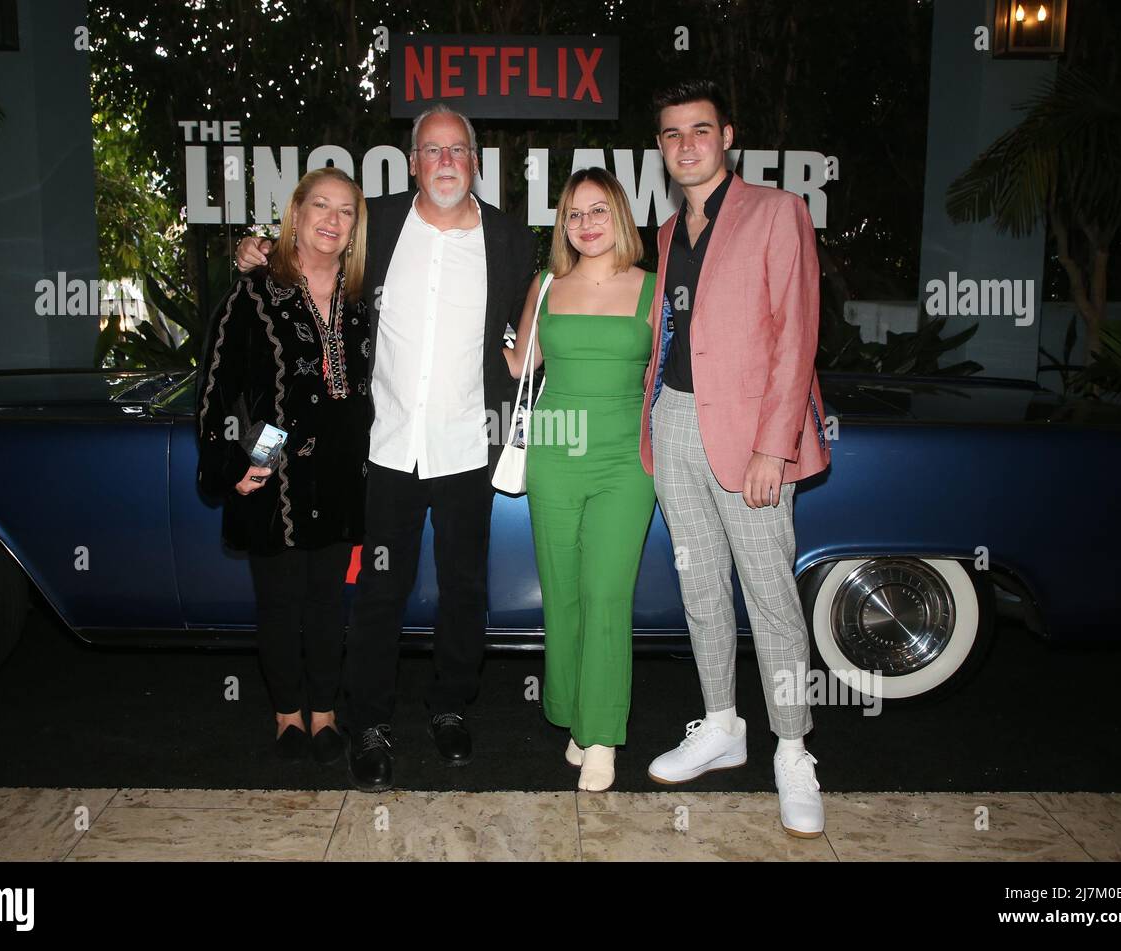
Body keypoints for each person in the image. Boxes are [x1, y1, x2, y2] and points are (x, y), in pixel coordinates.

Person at [236, 105, 536, 791]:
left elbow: (528, 327)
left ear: (476, 162)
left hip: (467, 447)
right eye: (432, 151)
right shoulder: (381, 225)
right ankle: (367, 719)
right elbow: (304, 269)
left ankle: (451, 706)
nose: (446, 162)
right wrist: (255, 255)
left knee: (465, 589)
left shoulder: (511, 239)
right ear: (412, 164)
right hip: (386, 446)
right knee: (379, 590)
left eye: (457, 150)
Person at [638, 80, 833, 837]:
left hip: (752, 438)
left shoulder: (777, 213)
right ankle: (722, 723)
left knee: (772, 600)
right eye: (670, 134)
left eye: (699, 130)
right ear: (660, 148)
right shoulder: (664, 233)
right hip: (674, 426)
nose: (685, 144)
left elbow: (797, 336)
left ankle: (792, 750)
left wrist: (771, 447)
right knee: (699, 590)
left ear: (728, 137)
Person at [197, 167, 371, 765]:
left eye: (345, 210)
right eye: (319, 205)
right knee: (279, 603)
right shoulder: (251, 295)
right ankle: (287, 716)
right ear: (295, 215)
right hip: (275, 474)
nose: (331, 218)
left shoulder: (360, 302)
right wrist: (235, 464)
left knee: (328, 602)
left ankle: (325, 714)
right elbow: (220, 391)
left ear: (355, 227)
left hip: (343, 476)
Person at [505, 168, 656, 793]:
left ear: (619, 216)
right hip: (554, 451)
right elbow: (521, 363)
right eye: (573, 213)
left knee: (606, 595)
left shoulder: (655, 286)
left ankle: (601, 737)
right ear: (562, 224)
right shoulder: (546, 285)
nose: (586, 223)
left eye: (598, 211)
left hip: (626, 460)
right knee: (561, 595)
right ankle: (572, 715)